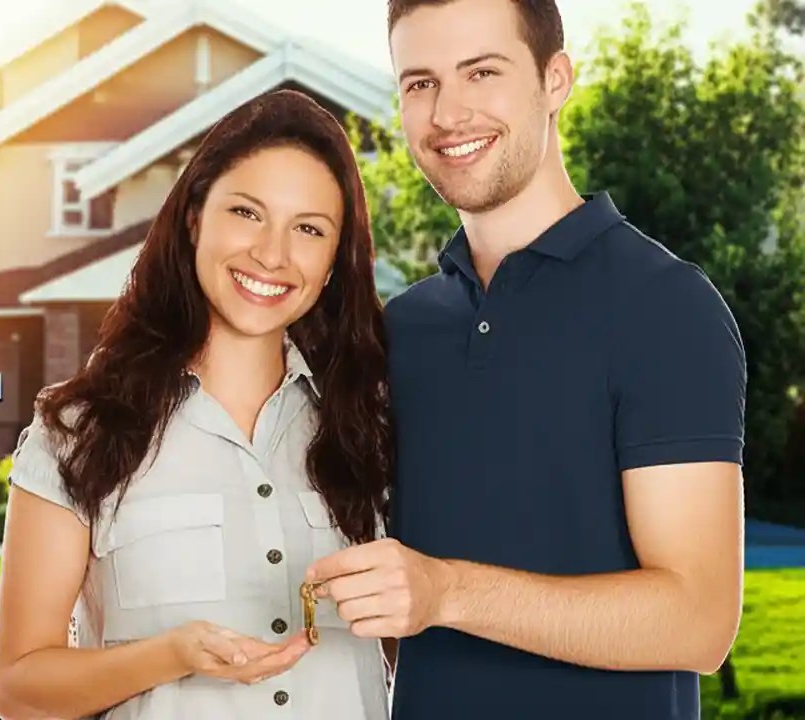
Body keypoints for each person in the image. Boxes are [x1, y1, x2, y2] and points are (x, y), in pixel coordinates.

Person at [304, 0, 747, 718]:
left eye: (482, 72)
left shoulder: (666, 307)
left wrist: (446, 592)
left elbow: (698, 622)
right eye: (420, 83)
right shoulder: (400, 329)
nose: (448, 113)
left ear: (556, 80)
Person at [0, 89, 396, 720]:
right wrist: (172, 655)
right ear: (194, 217)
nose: (272, 254)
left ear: (334, 262)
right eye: (246, 212)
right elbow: (19, 689)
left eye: (308, 229)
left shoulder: (369, 424)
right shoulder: (79, 430)